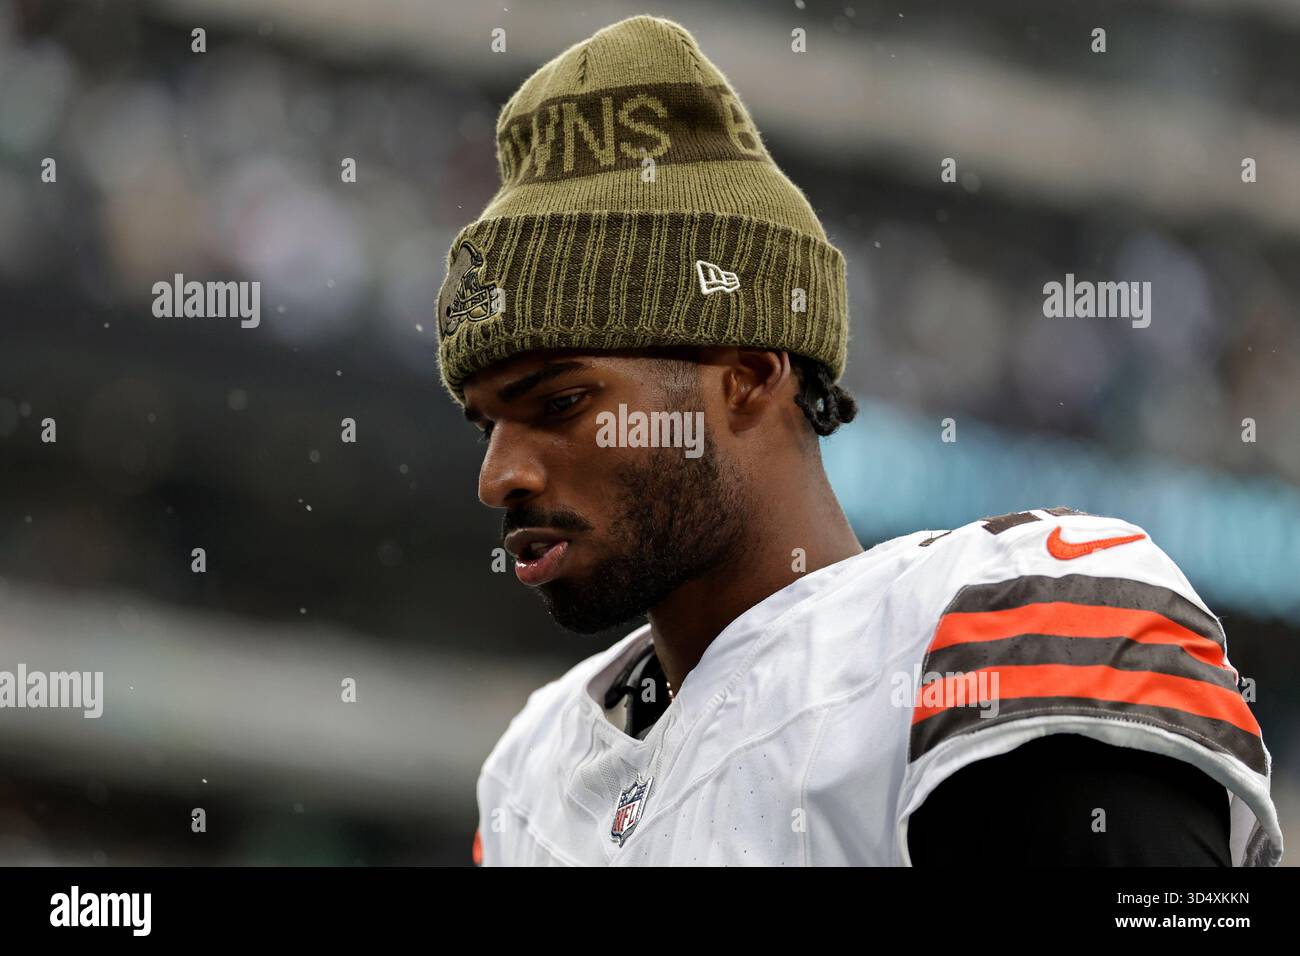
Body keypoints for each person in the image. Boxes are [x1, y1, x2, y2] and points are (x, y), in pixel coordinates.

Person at [437, 15, 1282, 867]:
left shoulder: (972, 645)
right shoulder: (536, 775)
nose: (499, 474)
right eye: (487, 423)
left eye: (561, 401)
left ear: (748, 376)